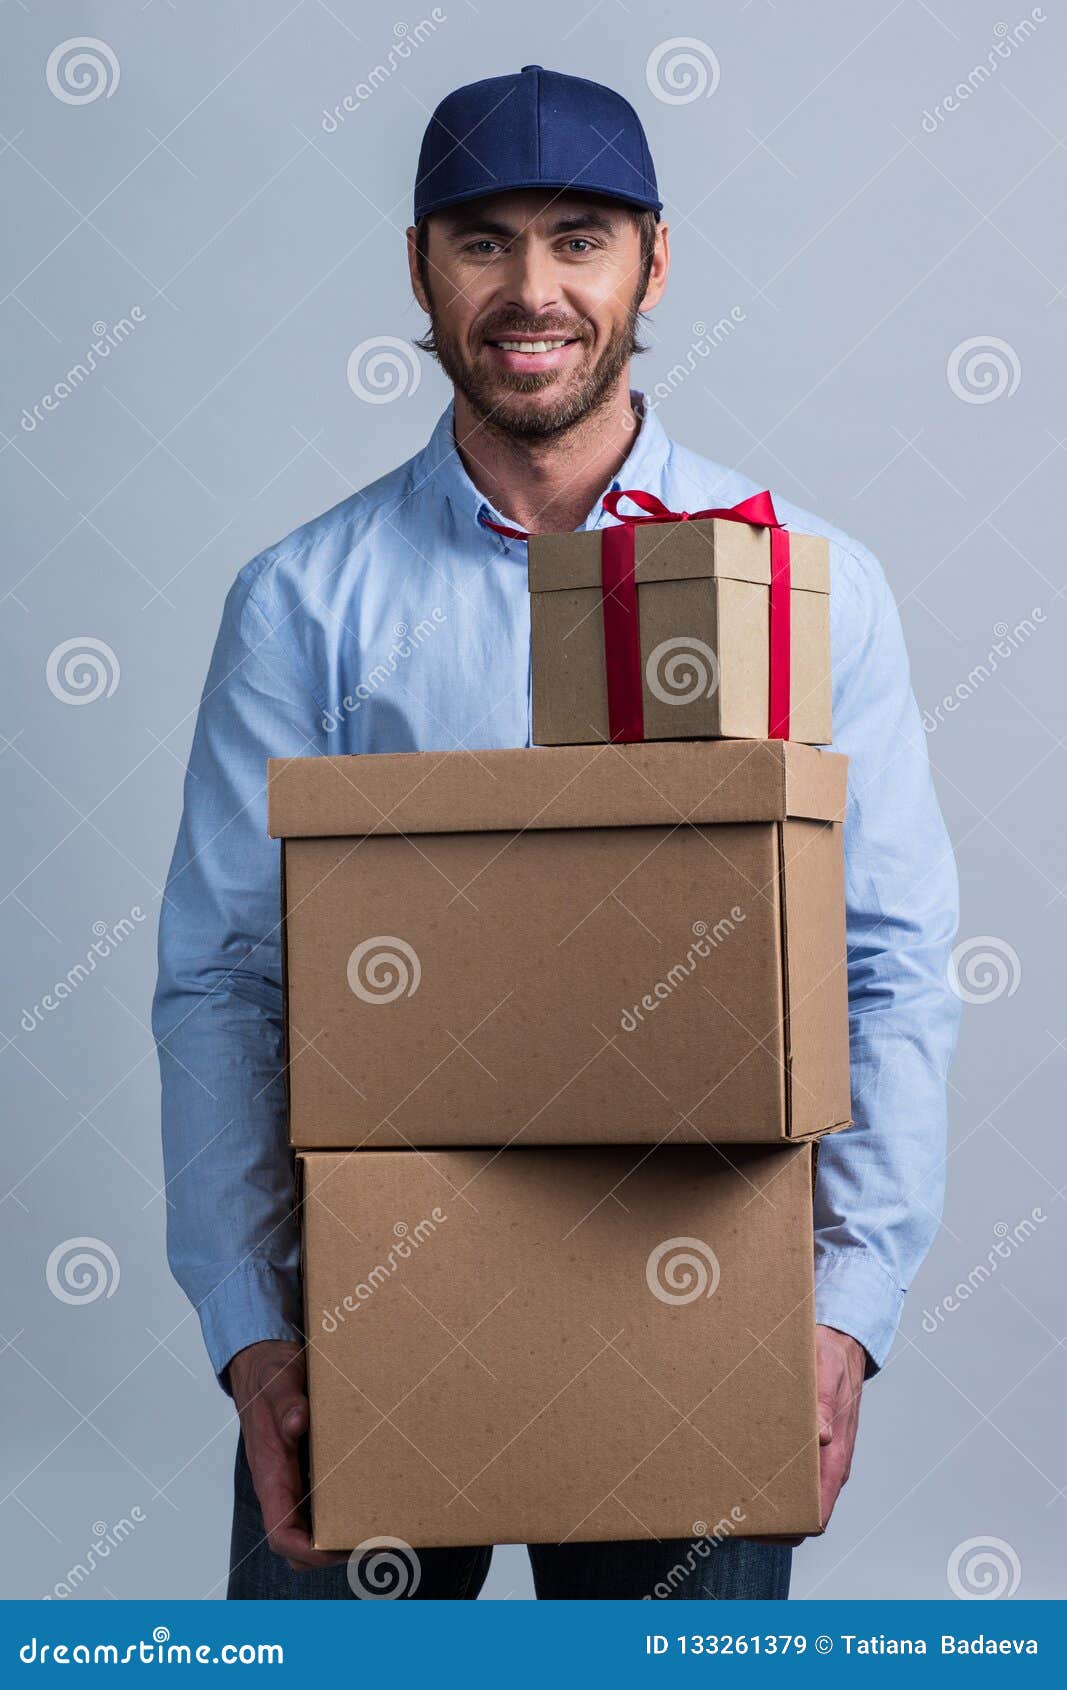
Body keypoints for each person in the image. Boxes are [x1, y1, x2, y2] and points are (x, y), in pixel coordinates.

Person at [152, 65, 960, 1600]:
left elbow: (888, 960)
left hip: (702, 1291)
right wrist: (255, 1333)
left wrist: (842, 1312)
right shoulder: (307, 602)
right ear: (419, 269)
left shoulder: (802, 583)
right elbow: (227, 980)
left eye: (579, 239)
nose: (533, 290)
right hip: (373, 1313)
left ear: (656, 261)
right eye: (484, 241)